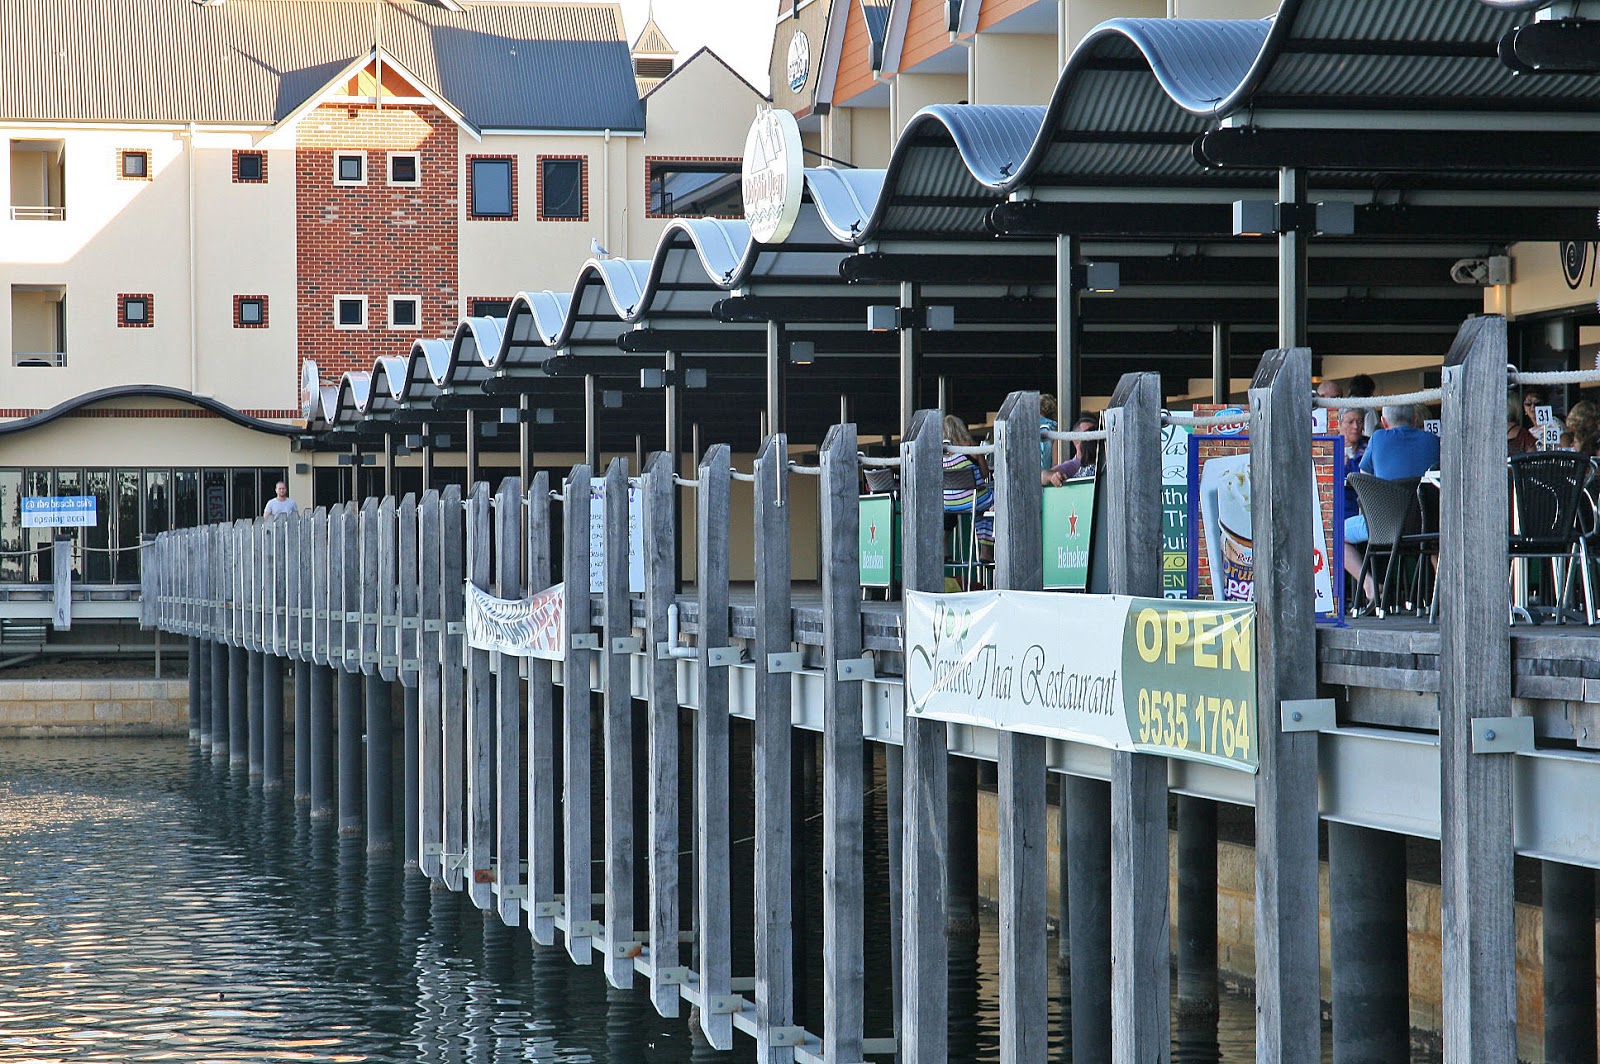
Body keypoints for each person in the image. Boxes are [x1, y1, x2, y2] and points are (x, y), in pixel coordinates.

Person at [1343, 404, 1440, 601]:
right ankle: (1442, 594)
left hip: (1384, 525)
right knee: (1438, 546)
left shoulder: (1378, 439)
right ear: (1415, 422)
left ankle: (1369, 584)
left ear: (1384, 423)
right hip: (1428, 527)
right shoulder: (1433, 441)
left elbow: (1365, 478)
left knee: (1335, 533)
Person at [1338, 408, 1367, 516]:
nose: (1355, 427)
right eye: (1350, 422)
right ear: (1339, 425)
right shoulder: (1329, 450)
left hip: (1366, 514)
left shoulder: (1370, 448)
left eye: (1359, 422)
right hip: (1339, 515)